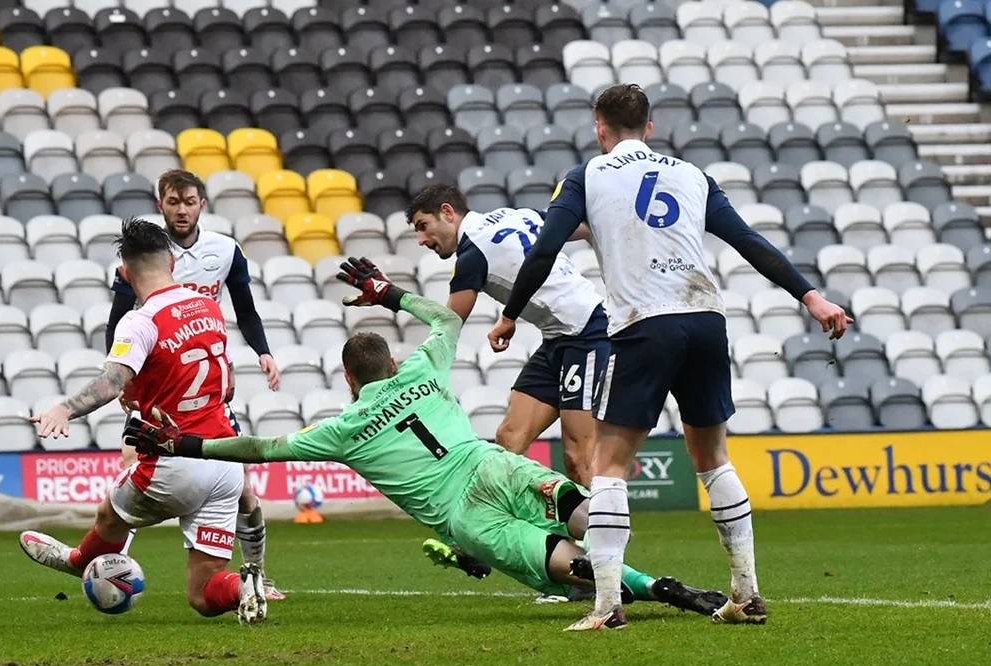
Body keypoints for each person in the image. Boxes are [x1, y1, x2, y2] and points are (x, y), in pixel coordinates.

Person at [127, 257, 728, 619]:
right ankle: (631, 553)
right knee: (582, 512)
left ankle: (661, 589)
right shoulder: (421, 368)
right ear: (391, 363)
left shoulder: (342, 430)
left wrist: (176, 444)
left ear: (348, 378)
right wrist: (389, 294)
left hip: (463, 517)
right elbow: (446, 319)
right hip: (492, 466)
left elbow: (259, 448)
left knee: (560, 565)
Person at [488, 84, 852, 630]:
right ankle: (747, 594)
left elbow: (544, 248)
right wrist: (812, 296)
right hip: (706, 319)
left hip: (643, 324)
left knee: (609, 466)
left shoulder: (588, 175)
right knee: (714, 460)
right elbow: (749, 241)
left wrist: (511, 312)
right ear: (650, 128)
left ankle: (608, 607)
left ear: (600, 128)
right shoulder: (691, 175)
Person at [22, 219, 268, 624]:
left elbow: (112, 381)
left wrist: (64, 409)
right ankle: (245, 587)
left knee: (109, 516)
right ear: (172, 260)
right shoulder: (207, 307)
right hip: (224, 462)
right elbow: (227, 387)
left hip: (174, 462)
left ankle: (75, 560)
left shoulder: (140, 321)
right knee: (204, 594)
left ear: (124, 273)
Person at [105, 169, 284, 601]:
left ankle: (256, 575)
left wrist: (263, 350)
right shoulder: (143, 253)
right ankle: (110, 570)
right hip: (155, 386)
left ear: (202, 204)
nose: (181, 210)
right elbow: (118, 318)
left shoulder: (224, 250)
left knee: (243, 491)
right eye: (172, 202)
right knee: (131, 474)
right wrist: (121, 375)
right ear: (160, 204)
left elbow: (246, 308)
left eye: (189, 202)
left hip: (205, 388)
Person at [407, 184, 607, 489]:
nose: (421, 240)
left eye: (424, 227)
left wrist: (392, 297)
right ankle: (500, 529)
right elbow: (571, 227)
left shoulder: (473, 252)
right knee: (508, 440)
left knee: (578, 456)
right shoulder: (515, 215)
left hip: (588, 334)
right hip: (557, 338)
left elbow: (447, 324)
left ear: (447, 213)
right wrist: (599, 238)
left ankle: (609, 533)